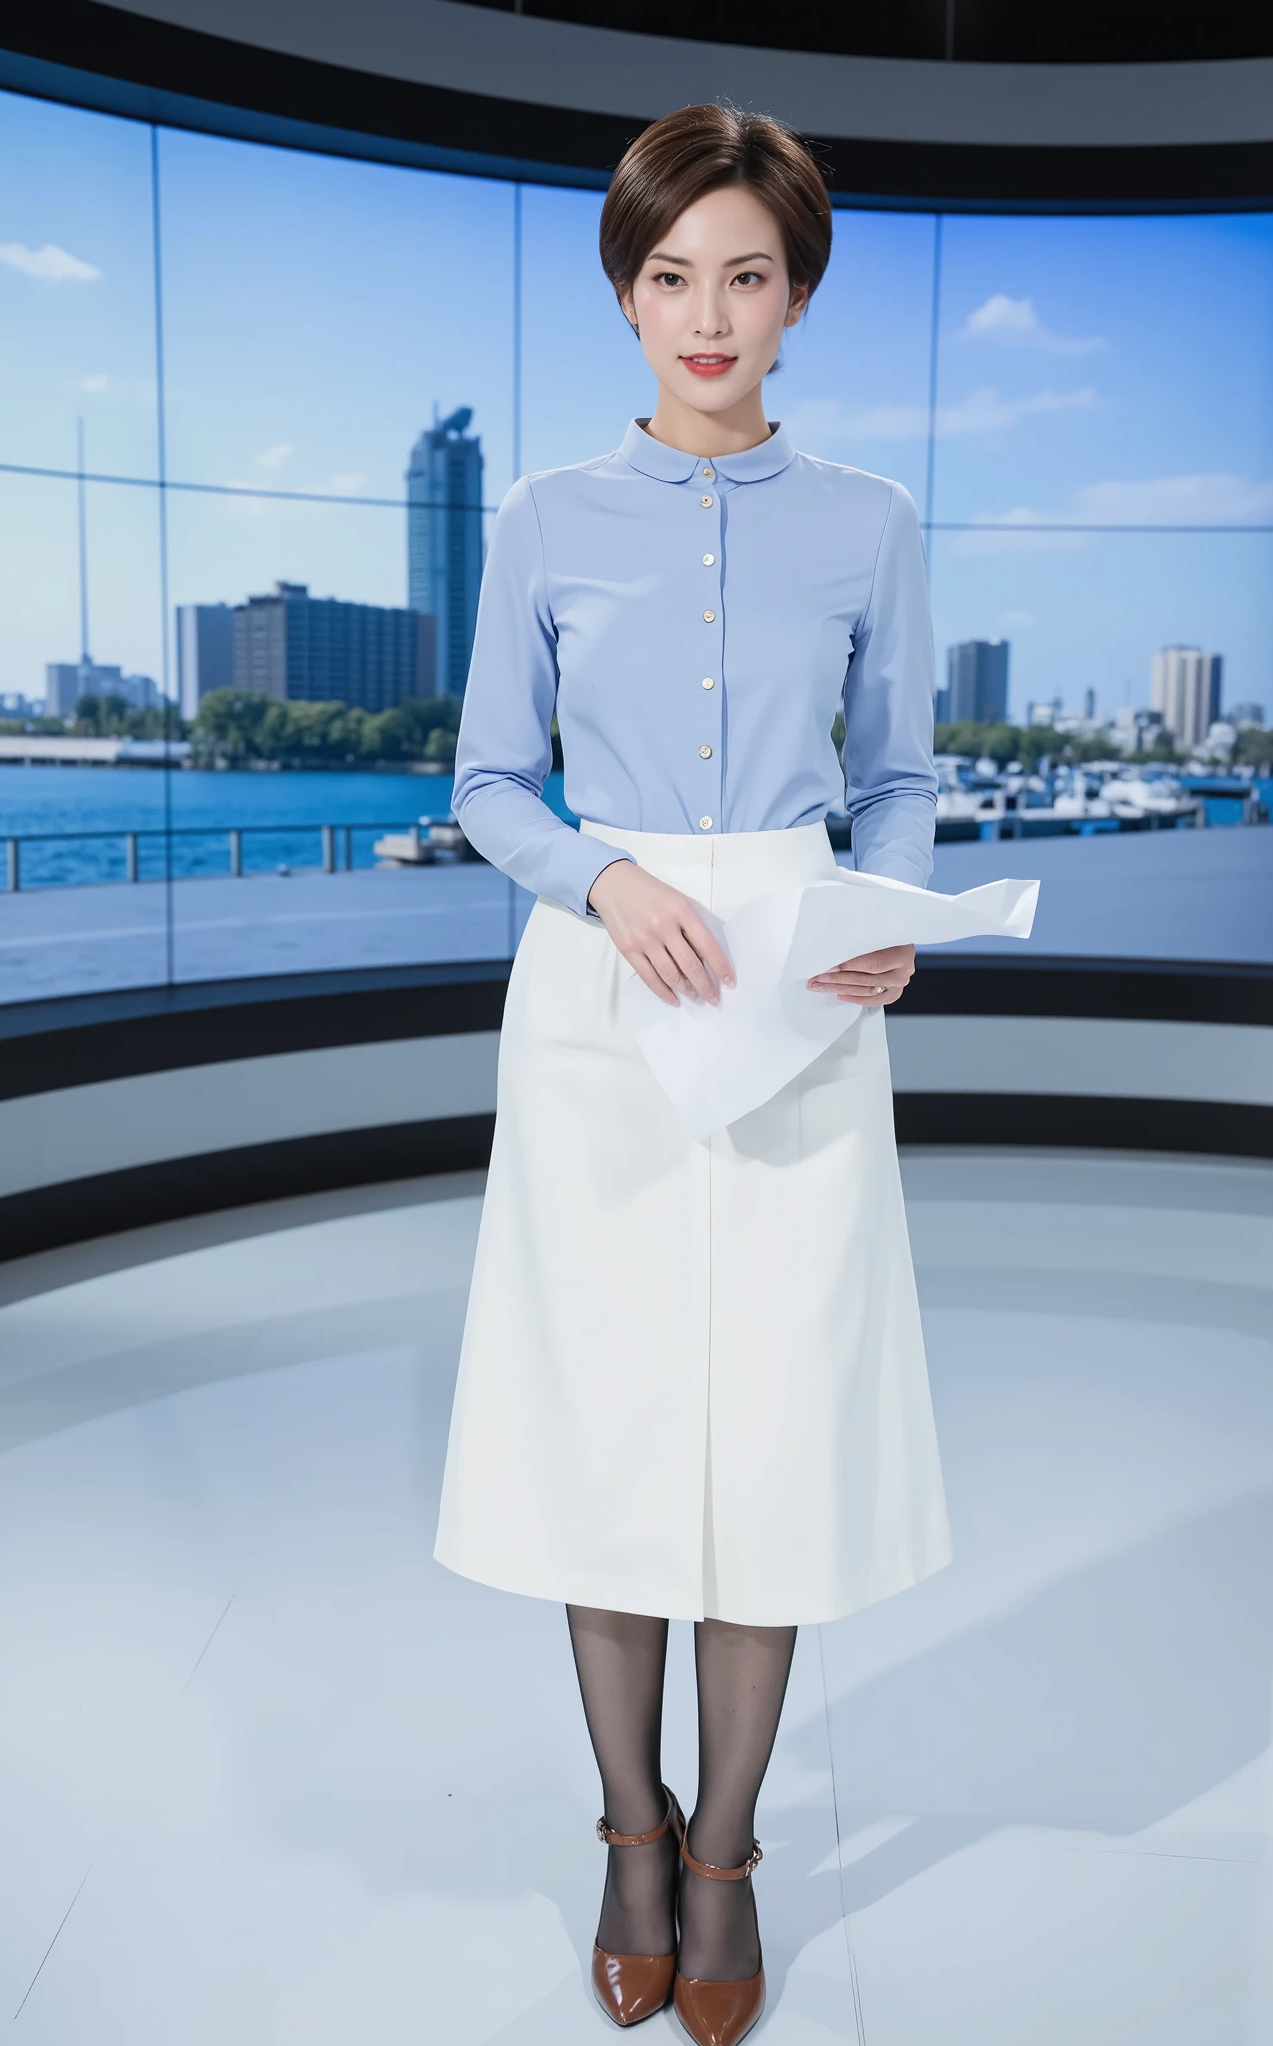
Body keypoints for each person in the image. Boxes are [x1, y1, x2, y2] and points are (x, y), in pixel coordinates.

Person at [434, 103, 950, 2045]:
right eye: (669, 277)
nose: (706, 313)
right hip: (603, 992)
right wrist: (607, 870)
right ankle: (627, 1830)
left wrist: (873, 907)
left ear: (795, 290)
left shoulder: (871, 522)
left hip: (798, 994)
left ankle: (724, 1852)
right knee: (617, 1429)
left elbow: (892, 765)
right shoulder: (548, 517)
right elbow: (487, 780)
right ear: (625, 293)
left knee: (773, 1437)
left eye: (744, 273)